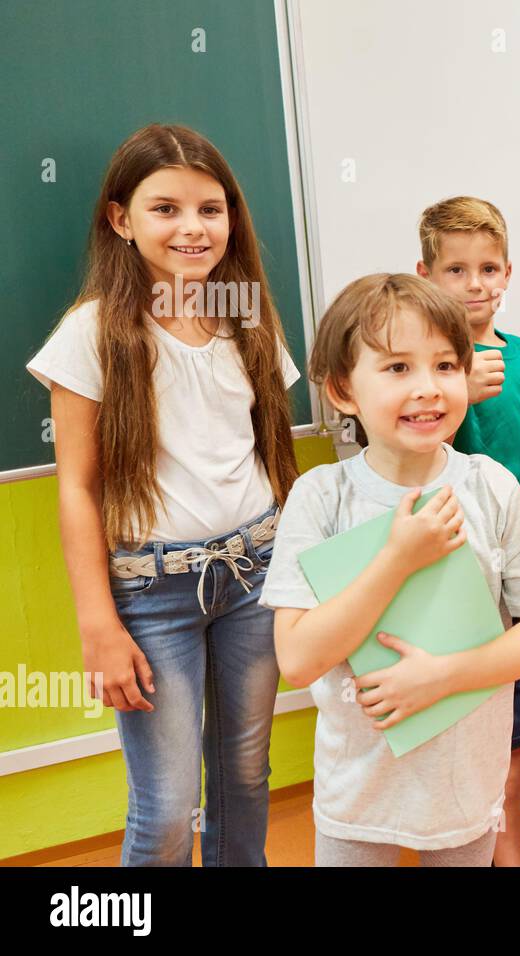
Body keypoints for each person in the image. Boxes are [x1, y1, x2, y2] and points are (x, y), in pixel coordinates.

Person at [27, 123, 300, 866]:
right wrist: (98, 626)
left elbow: (274, 455)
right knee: (168, 805)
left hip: (255, 575)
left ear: (232, 218)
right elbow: (78, 490)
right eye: (166, 208)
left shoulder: (247, 314)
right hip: (153, 594)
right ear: (121, 219)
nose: (193, 227)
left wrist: (303, 573)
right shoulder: (93, 334)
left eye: (211, 209)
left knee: (247, 775)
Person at [263, 274, 520, 866]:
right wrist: (397, 558)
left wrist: (442, 678)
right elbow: (298, 660)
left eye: (446, 366)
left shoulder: (492, 489)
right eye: (398, 368)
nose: (428, 389)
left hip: (465, 786)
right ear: (342, 389)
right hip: (358, 792)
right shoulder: (320, 497)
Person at [416, 195, 520, 867]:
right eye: (456, 270)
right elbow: (421, 462)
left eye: (487, 268)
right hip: (475, 572)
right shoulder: (428, 370)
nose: (475, 284)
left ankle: (506, 830)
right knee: (481, 720)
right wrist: (455, 388)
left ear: (507, 273)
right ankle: (490, 844)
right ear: (426, 274)